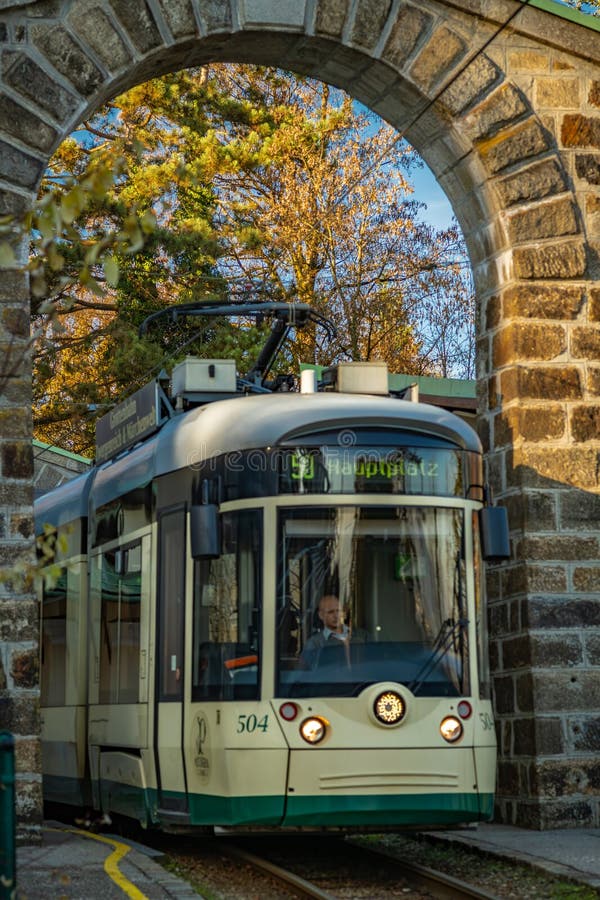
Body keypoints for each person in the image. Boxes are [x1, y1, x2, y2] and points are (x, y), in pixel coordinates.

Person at [299, 594, 366, 669]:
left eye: (338, 611)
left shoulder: (363, 635)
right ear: (321, 615)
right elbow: (306, 673)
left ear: (344, 613)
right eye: (330, 612)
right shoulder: (314, 643)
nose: (336, 615)